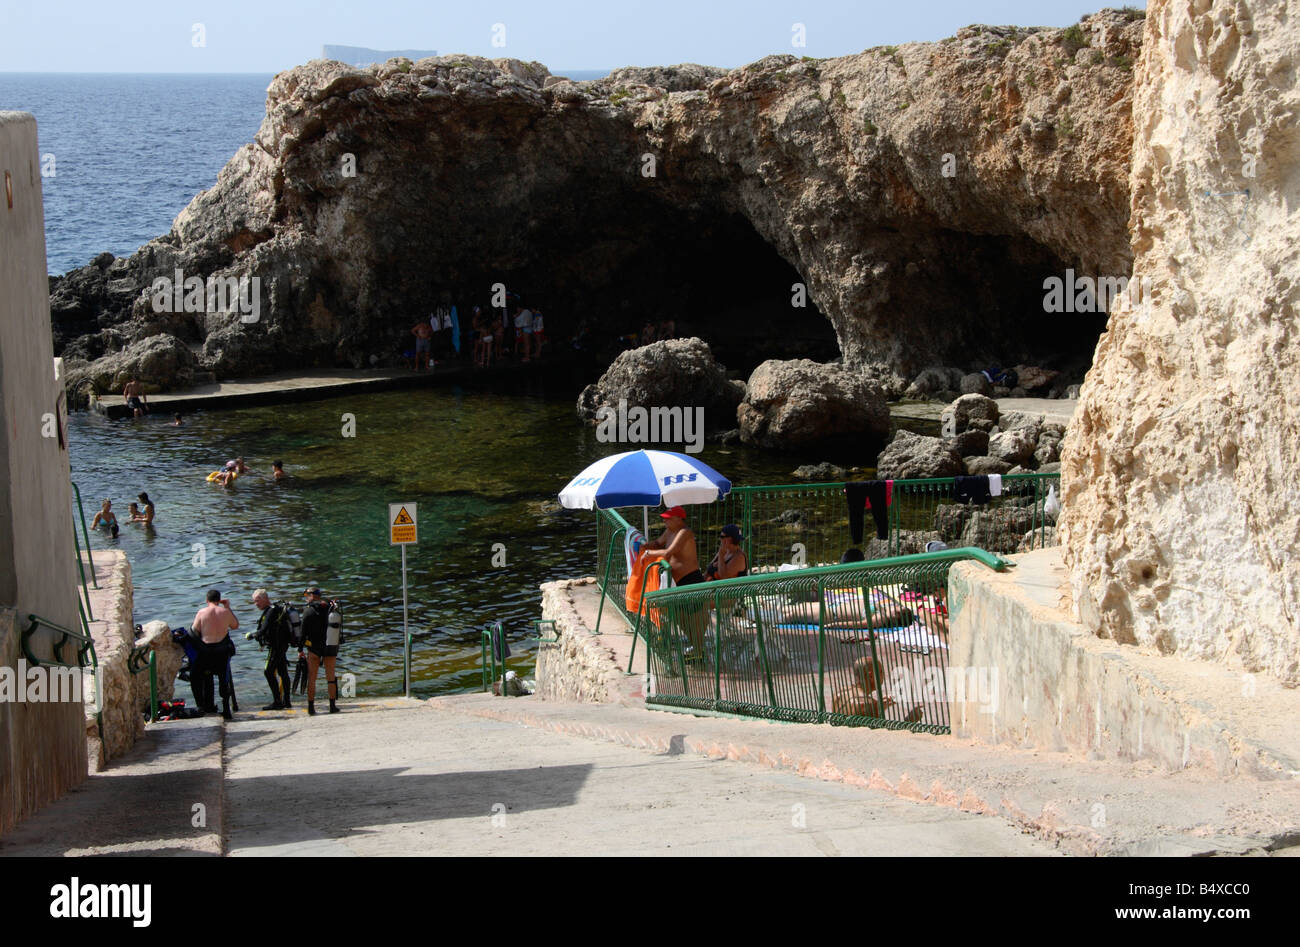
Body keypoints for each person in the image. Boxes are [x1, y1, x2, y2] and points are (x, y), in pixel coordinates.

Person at [647, 507, 707, 657]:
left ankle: (699, 650)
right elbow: (657, 543)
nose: (664, 521)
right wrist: (642, 545)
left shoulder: (685, 533)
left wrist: (648, 554)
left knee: (693, 617)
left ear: (679, 519)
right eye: (664, 518)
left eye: (668, 518)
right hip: (677, 580)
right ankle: (696, 648)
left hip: (691, 579)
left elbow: (668, 552)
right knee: (678, 615)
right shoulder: (669, 531)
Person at [191, 589, 239, 720]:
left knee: (199, 676)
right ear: (219, 600)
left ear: (207, 600)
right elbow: (235, 625)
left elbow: (195, 630)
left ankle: (206, 706)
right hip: (222, 652)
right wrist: (228, 607)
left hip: (207, 652)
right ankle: (226, 708)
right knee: (224, 678)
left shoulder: (202, 612)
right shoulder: (225, 612)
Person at [300, 585, 340, 715]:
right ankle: (332, 706)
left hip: (314, 648)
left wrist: (300, 650)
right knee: (331, 677)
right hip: (330, 646)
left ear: (312, 596)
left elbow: (302, 633)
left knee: (312, 678)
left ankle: (311, 708)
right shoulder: (329, 608)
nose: (305, 598)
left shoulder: (308, 611)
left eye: (306, 596)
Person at [249, 588, 292, 710]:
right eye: (254, 602)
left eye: (257, 601)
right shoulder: (276, 609)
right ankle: (287, 701)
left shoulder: (270, 611)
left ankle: (277, 701)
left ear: (264, 599)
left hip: (276, 647)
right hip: (282, 645)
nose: (256, 604)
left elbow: (262, 630)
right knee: (283, 672)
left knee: (268, 672)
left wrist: (252, 635)